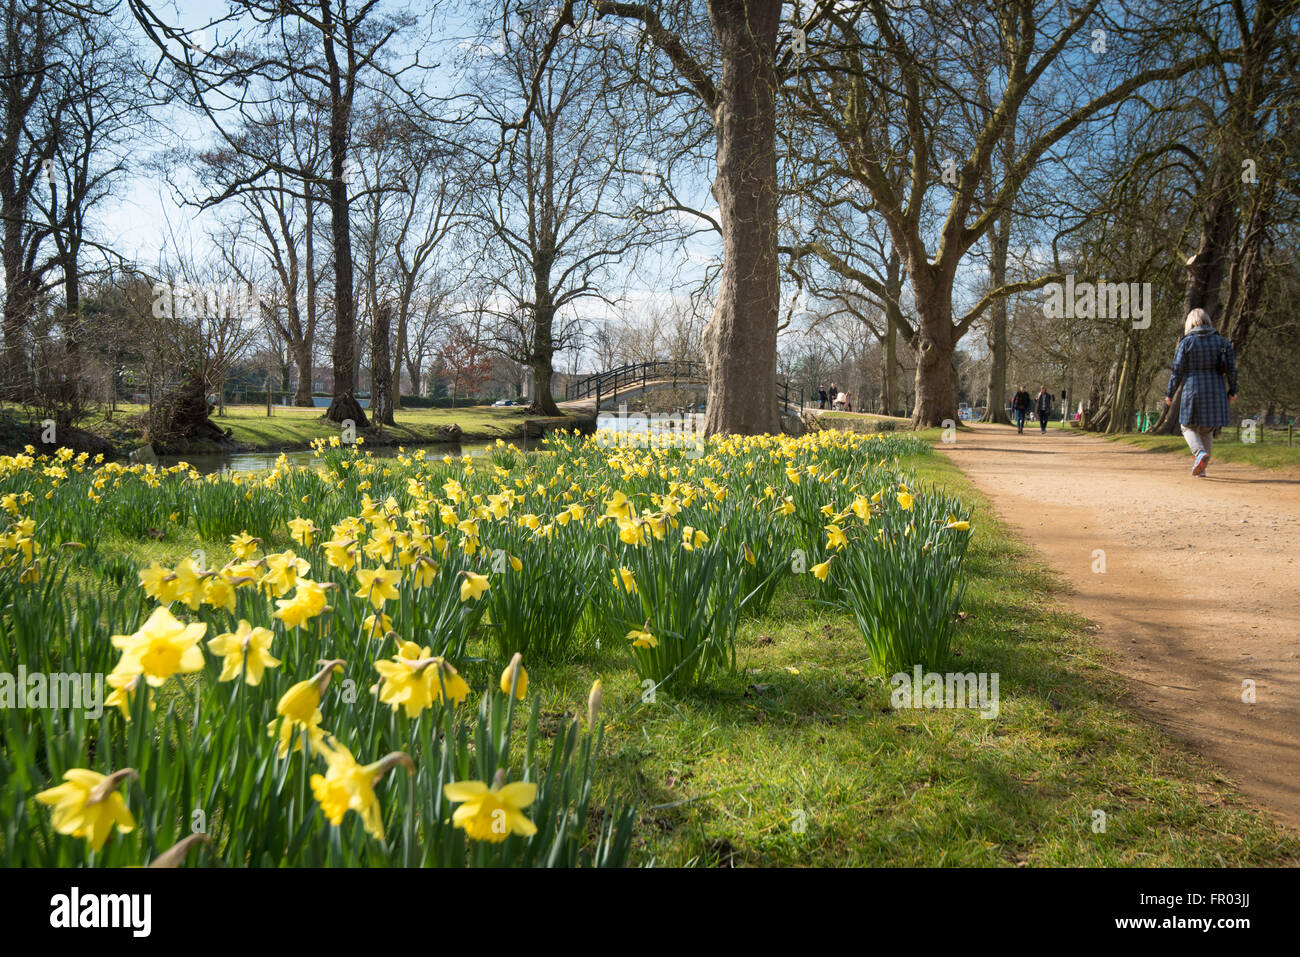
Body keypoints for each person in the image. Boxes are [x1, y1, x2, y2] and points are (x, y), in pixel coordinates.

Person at [1165, 307, 1237, 477]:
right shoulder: (1222, 342)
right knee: (1207, 430)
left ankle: (1199, 454)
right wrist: (1233, 390)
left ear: (1190, 323)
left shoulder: (1186, 342)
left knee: (1186, 426)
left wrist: (1170, 393)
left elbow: (1177, 370)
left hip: (1193, 388)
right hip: (1216, 389)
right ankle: (1202, 469)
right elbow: (1232, 369)